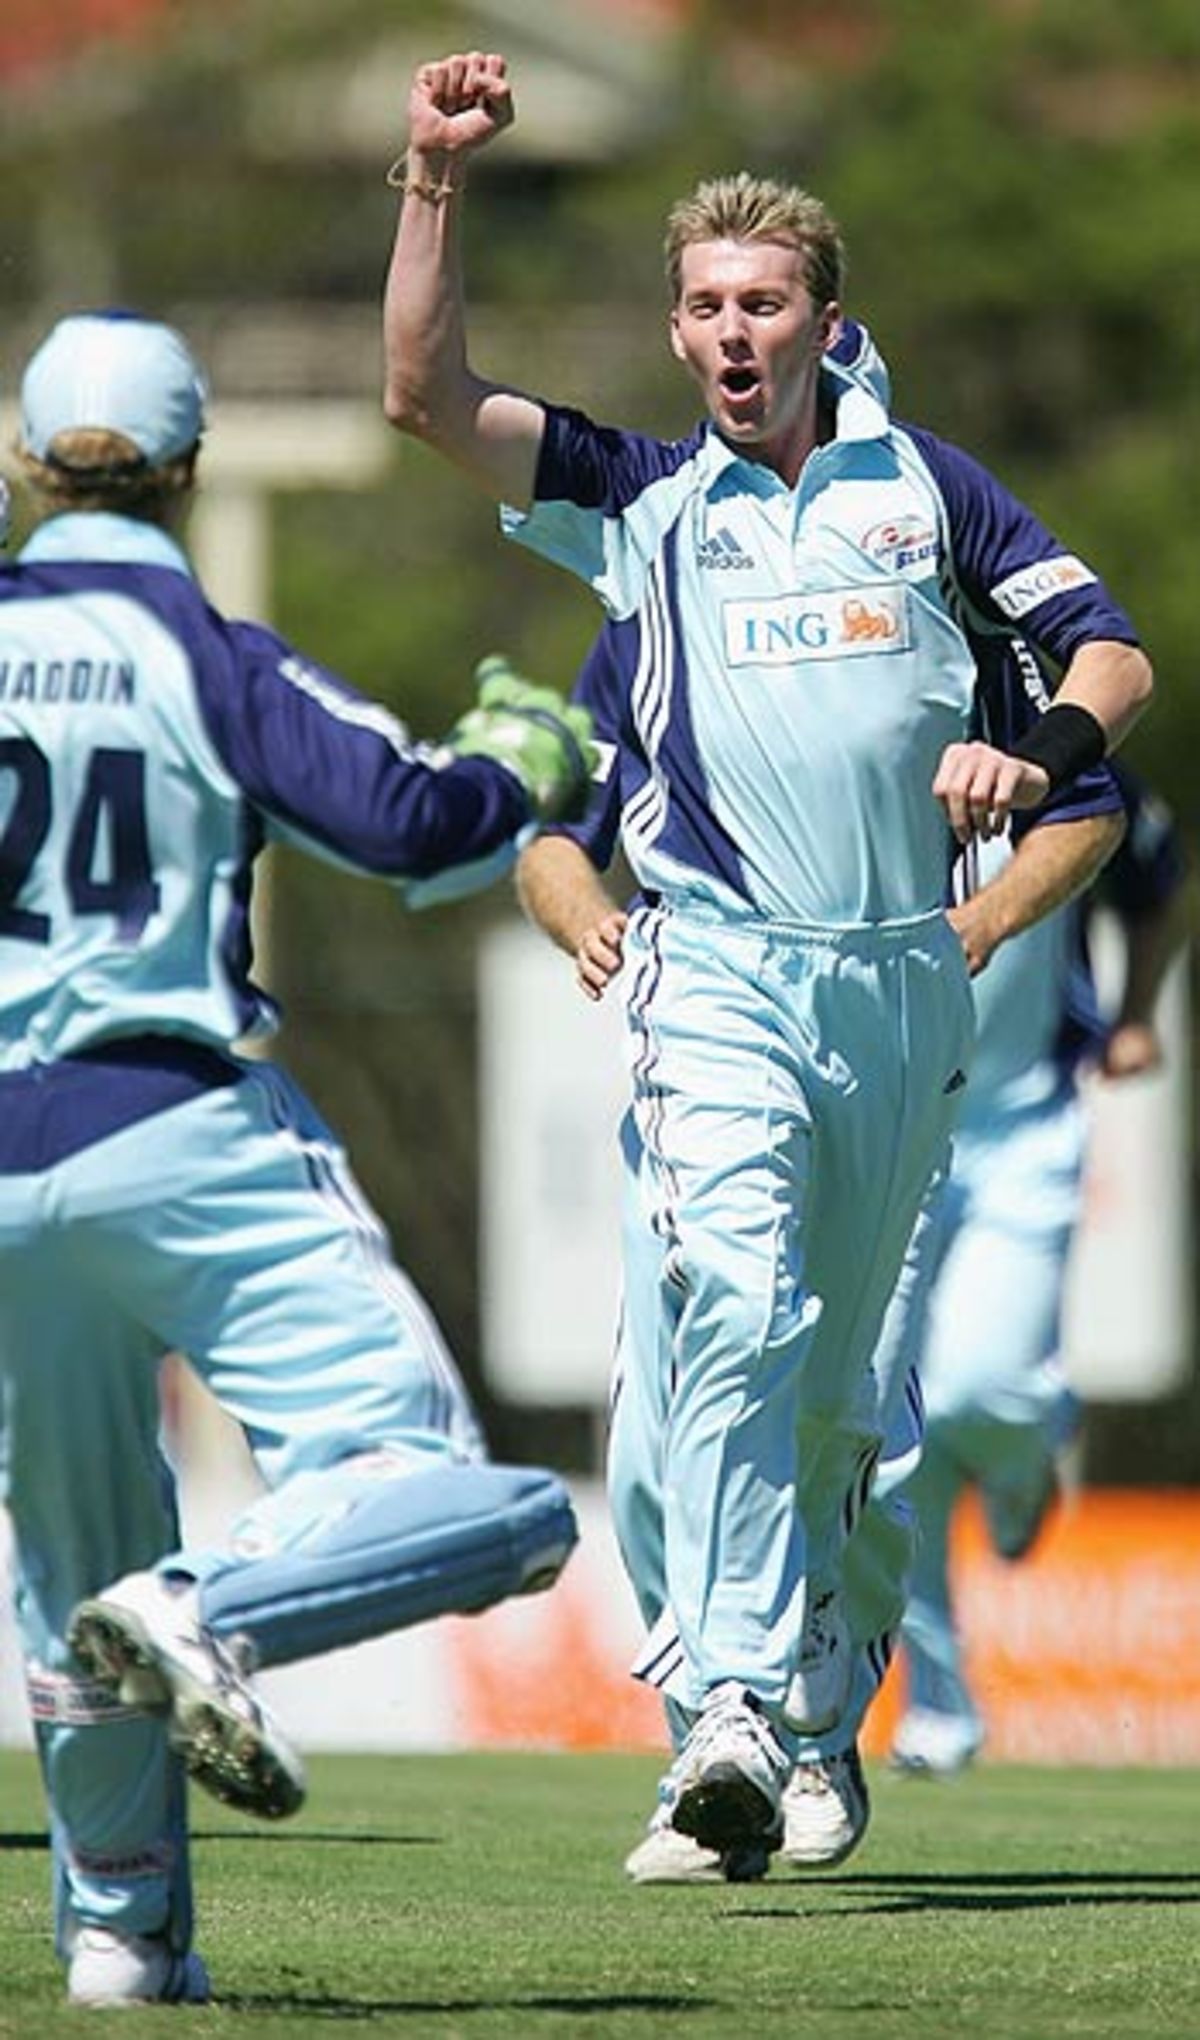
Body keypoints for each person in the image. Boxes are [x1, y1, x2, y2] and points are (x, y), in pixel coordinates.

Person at [381, 47, 1153, 1870]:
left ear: (825, 318)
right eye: (707, 307)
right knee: (728, 1310)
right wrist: (431, 177)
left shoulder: (929, 492)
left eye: (767, 302)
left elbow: (1110, 658)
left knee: (851, 1410)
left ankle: (823, 1701)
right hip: (720, 973)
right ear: (676, 331)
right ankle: (721, 1705)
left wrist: (1030, 758)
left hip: (902, 986)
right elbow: (422, 394)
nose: (736, 332)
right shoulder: (637, 506)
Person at [0, 308, 596, 2007]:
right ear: (190, 473)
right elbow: (408, 821)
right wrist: (526, 759)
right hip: (166, 1120)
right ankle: (213, 1609)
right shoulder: (205, 649)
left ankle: (119, 1937)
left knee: (71, 1555)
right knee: (463, 1502)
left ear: (33, 464)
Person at [515, 622, 1131, 1883]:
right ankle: (715, 1750)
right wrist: (586, 920)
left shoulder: (949, 632)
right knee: (647, 1454)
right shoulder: (654, 616)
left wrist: (985, 918)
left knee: (840, 1425)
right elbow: (554, 843)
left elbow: (1099, 809)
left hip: (893, 1079)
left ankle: (819, 1726)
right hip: (700, 1072)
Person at [884, 760, 1188, 1780]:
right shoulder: (862, 731)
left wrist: (1138, 1010)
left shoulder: (1059, 757)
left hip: (1021, 1131)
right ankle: (938, 1706)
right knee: (898, 1439)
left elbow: (1154, 875)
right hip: (884, 1134)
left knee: (982, 1389)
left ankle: (1022, 1458)